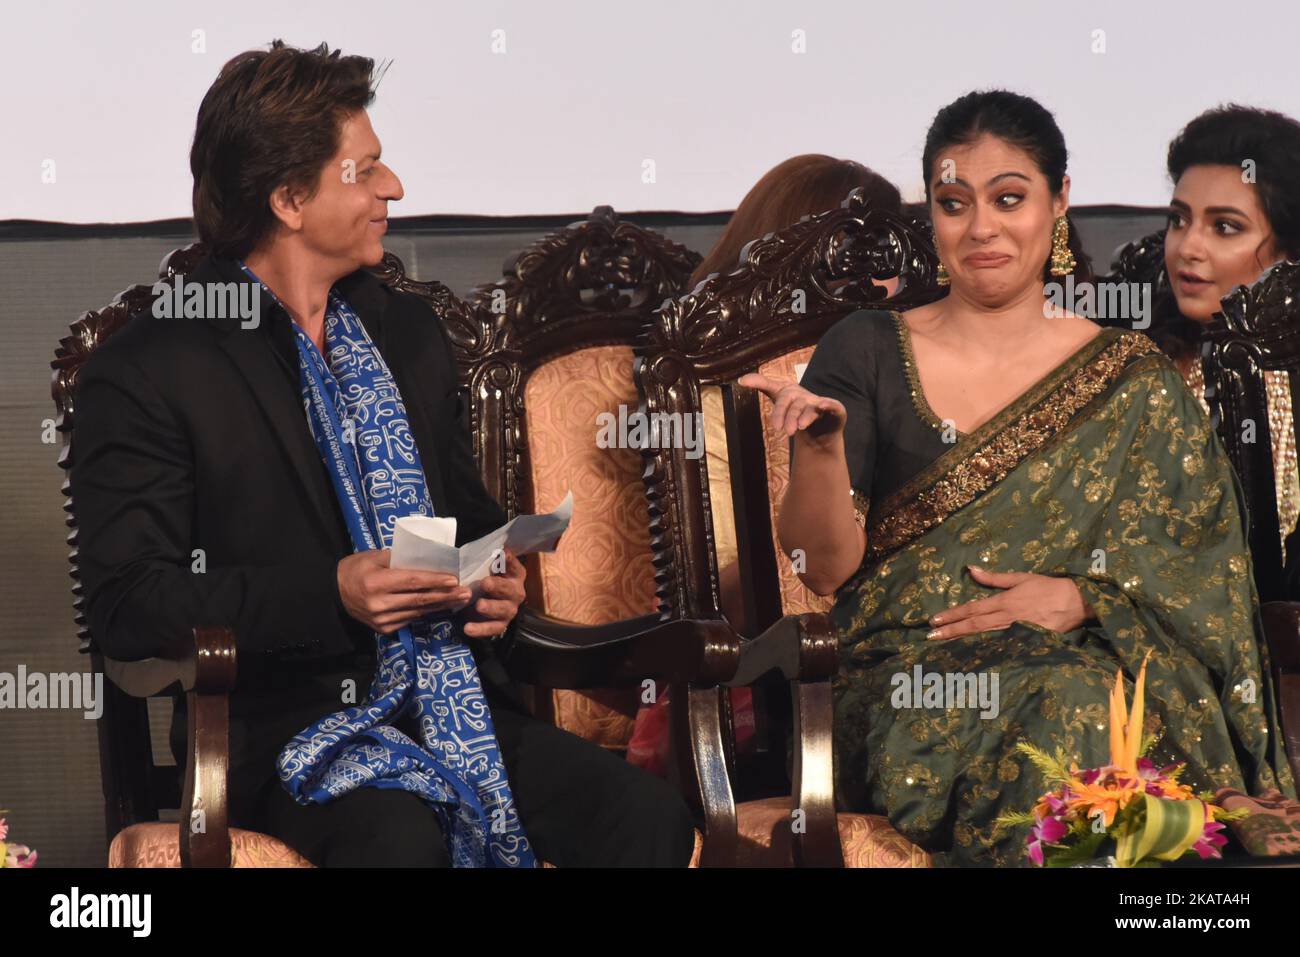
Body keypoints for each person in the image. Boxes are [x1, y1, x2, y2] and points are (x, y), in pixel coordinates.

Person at [70, 41, 696, 868]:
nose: (392, 187)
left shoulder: (405, 332)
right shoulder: (150, 366)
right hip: (282, 736)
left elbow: (467, 521)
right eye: (363, 171)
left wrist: (493, 582)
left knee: (643, 819)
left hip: (452, 707)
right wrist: (331, 592)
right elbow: (130, 601)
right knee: (402, 838)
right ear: (290, 198)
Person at [740, 90, 1296, 866]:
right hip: (910, 683)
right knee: (1072, 711)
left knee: (1091, 707)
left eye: (1009, 199)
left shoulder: (1128, 377)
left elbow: (1202, 586)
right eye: (954, 203)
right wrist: (825, 451)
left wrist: (1083, 598)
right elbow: (824, 567)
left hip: (1089, 673)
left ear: (1059, 200)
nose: (982, 228)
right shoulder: (864, 346)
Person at [628, 156, 903, 787]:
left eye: (892, 263)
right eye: (863, 263)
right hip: (760, 684)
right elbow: (718, 594)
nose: (886, 287)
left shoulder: (918, 368)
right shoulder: (714, 390)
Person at [1153, 105, 1300, 564]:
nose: (1188, 247)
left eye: (1224, 227)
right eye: (1179, 219)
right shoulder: (1138, 367)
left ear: (1291, 250)